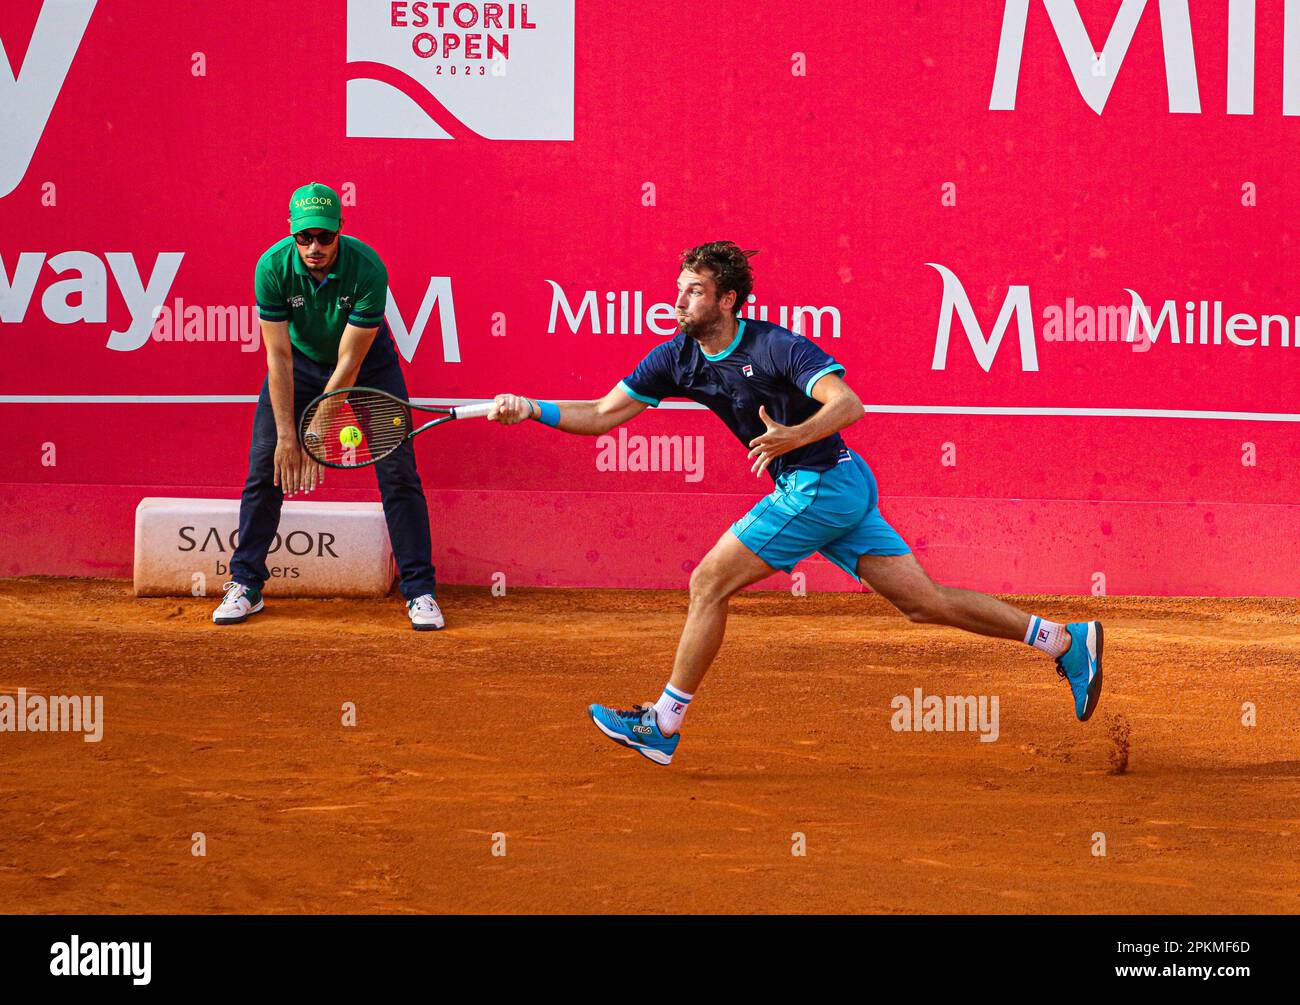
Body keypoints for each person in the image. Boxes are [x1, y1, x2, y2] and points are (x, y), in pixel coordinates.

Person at [487, 241, 1102, 764]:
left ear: (727, 300)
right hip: (837, 486)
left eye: (695, 291)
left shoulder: (776, 347)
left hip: (820, 485)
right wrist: (530, 408)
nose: (679, 302)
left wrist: (792, 435)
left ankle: (663, 725)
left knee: (708, 583)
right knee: (924, 603)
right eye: (679, 289)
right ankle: (1063, 642)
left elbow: (848, 405)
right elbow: (599, 415)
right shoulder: (677, 356)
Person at [212, 183, 444, 631]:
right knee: (266, 467)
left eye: (323, 236)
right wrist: (288, 437)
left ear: (340, 228)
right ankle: (246, 584)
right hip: (296, 364)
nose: (313, 247)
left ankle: (420, 590)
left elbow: (350, 361)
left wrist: (316, 429)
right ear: (291, 233)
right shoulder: (272, 268)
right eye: (304, 237)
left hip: (367, 367)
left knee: (398, 472)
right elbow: (277, 357)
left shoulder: (368, 269)